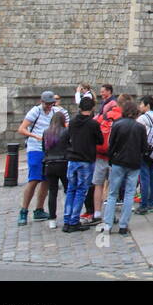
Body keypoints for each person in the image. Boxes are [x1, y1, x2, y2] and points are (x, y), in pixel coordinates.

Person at [16, 91, 67, 225]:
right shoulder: (35, 111)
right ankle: (24, 211)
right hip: (35, 148)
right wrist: (36, 136)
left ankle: (39, 209)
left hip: (48, 150)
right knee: (34, 179)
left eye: (52, 104)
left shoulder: (54, 112)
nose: (50, 106)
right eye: (48, 104)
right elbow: (22, 129)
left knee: (46, 180)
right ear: (42, 102)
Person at [102, 99, 146, 236]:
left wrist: (111, 159)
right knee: (129, 194)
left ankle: (108, 224)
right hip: (133, 163)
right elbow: (144, 147)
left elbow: (112, 145)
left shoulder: (117, 125)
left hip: (118, 161)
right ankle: (123, 225)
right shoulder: (140, 127)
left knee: (112, 194)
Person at [62, 95, 103, 233]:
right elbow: (100, 140)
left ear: (80, 108)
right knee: (81, 191)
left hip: (72, 159)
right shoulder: (93, 124)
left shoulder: (73, 122)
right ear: (92, 109)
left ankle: (67, 220)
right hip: (86, 160)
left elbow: (67, 137)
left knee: (70, 190)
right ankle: (74, 221)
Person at [89, 91, 122, 226]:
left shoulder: (101, 117)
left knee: (98, 184)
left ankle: (97, 212)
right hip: (114, 157)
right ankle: (110, 214)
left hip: (100, 156)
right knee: (112, 187)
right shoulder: (120, 117)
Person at [41, 110, 69, 229]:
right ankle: (68, 216)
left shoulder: (46, 132)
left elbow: (44, 148)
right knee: (68, 191)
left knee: (52, 192)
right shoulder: (66, 131)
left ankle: (52, 219)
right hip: (63, 163)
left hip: (50, 164)